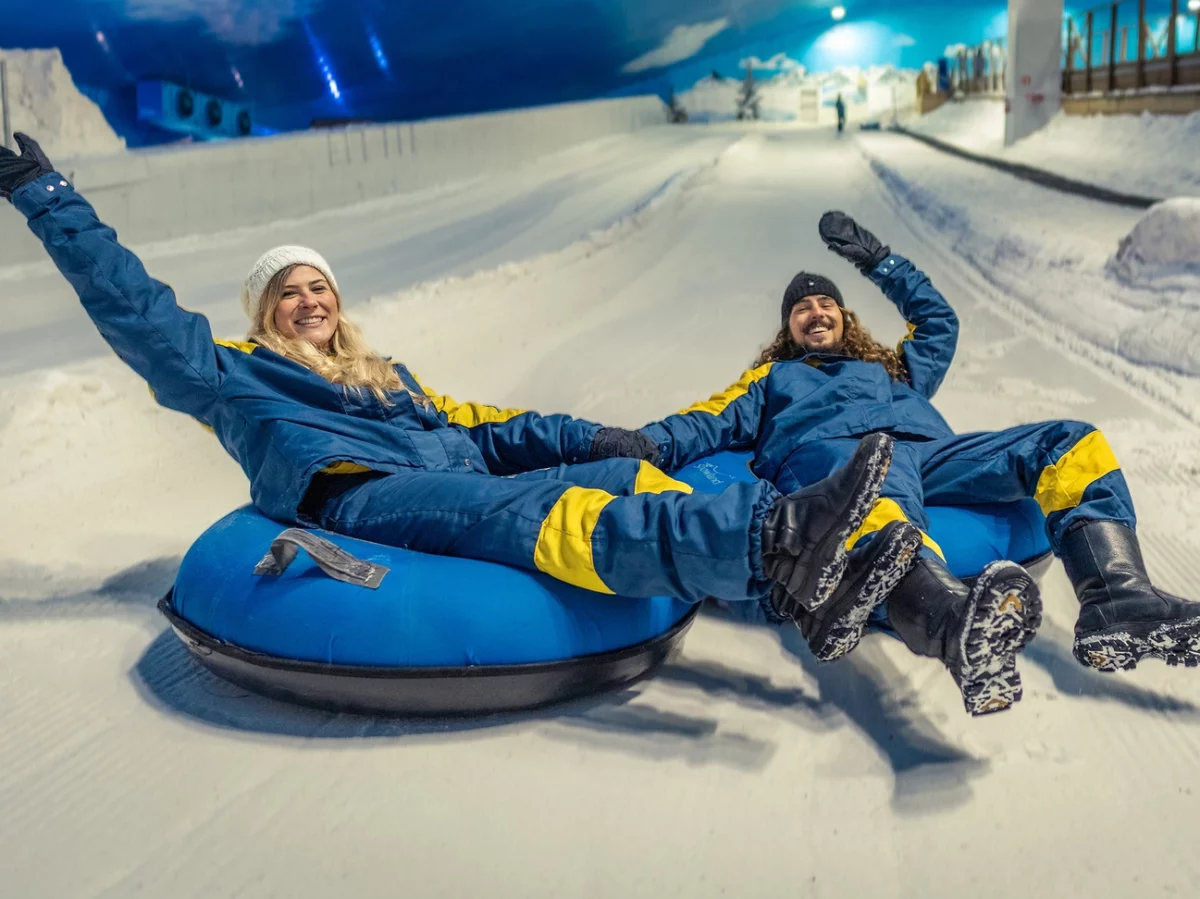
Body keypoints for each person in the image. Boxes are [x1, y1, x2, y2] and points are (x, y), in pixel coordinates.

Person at [0, 133, 922, 638]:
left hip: (452, 473)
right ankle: (779, 538)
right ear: (263, 316)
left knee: (612, 484)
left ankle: (800, 590)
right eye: (288, 292)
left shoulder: (388, 379)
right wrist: (48, 197)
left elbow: (489, 428)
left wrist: (597, 440)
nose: (309, 298)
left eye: (318, 285)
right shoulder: (233, 376)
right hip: (362, 499)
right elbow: (139, 311)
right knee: (526, 518)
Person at [638, 210, 1200, 715]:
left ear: (843, 316)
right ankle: (952, 624)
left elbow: (938, 323)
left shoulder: (890, 370)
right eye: (801, 308)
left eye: (825, 303)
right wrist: (626, 446)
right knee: (871, 486)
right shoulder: (772, 380)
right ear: (788, 329)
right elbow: (703, 423)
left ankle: (1119, 598)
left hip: (929, 453)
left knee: (1070, 442)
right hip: (837, 459)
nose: (815, 312)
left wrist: (878, 260)